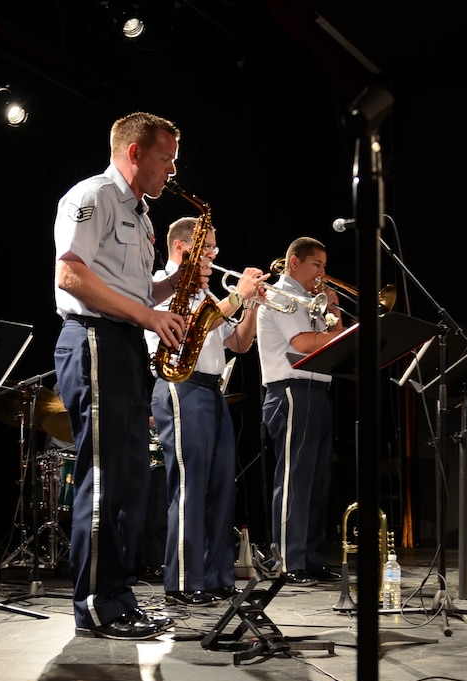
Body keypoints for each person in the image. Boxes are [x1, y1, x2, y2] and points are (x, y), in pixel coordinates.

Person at [53, 111, 198, 641]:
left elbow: (133, 291)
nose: (172, 170)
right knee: (104, 481)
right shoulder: (93, 195)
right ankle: (95, 605)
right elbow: (70, 273)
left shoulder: (142, 215)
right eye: (166, 157)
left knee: (130, 482)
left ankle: (117, 599)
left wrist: (174, 284)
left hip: (124, 344)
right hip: (94, 339)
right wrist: (146, 315)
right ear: (134, 152)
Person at [145, 217, 268, 606]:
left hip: (212, 391)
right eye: (208, 248)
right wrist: (237, 297)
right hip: (181, 385)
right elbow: (187, 332)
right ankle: (183, 581)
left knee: (220, 487)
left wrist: (250, 306)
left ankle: (215, 577)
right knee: (190, 486)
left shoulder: (206, 293)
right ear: (183, 248)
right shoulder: (161, 286)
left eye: (214, 248)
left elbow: (239, 344)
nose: (214, 255)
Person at [255, 236, 344, 585]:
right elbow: (304, 343)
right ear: (295, 262)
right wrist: (344, 333)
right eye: (316, 265)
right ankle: (288, 560)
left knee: (318, 480)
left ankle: (310, 559)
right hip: (291, 391)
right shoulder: (281, 296)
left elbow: (332, 340)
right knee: (296, 478)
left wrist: (334, 312)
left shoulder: (311, 301)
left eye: (324, 266)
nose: (322, 273)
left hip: (316, 391)